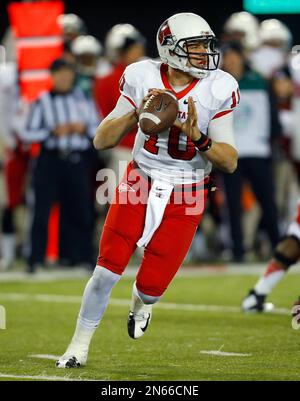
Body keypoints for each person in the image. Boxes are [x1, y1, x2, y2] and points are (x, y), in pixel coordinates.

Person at [56, 12, 239, 368]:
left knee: (151, 289)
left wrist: (197, 137)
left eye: (206, 46)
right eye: (195, 47)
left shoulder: (220, 85)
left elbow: (229, 161)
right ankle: (78, 347)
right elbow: (101, 139)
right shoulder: (141, 76)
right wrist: (134, 115)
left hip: (188, 191)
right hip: (140, 178)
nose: (205, 54)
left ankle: (141, 304)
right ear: (170, 49)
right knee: (107, 270)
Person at [21, 58, 99, 273]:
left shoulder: (83, 99)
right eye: (61, 74)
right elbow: (26, 133)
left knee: (81, 209)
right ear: (53, 76)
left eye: (68, 74)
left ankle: (81, 257)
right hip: (50, 159)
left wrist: (82, 128)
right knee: (41, 210)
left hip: (77, 159)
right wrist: (51, 132)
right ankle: (35, 259)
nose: (65, 78)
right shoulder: (42, 100)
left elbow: (98, 128)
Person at [221, 42, 281, 262]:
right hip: (231, 152)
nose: (231, 60)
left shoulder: (259, 81)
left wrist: (273, 139)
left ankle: (277, 246)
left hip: (257, 149)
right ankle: (237, 250)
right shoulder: (218, 84)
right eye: (227, 57)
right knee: (233, 206)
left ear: (241, 56)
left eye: (234, 55)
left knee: (268, 201)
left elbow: (271, 113)